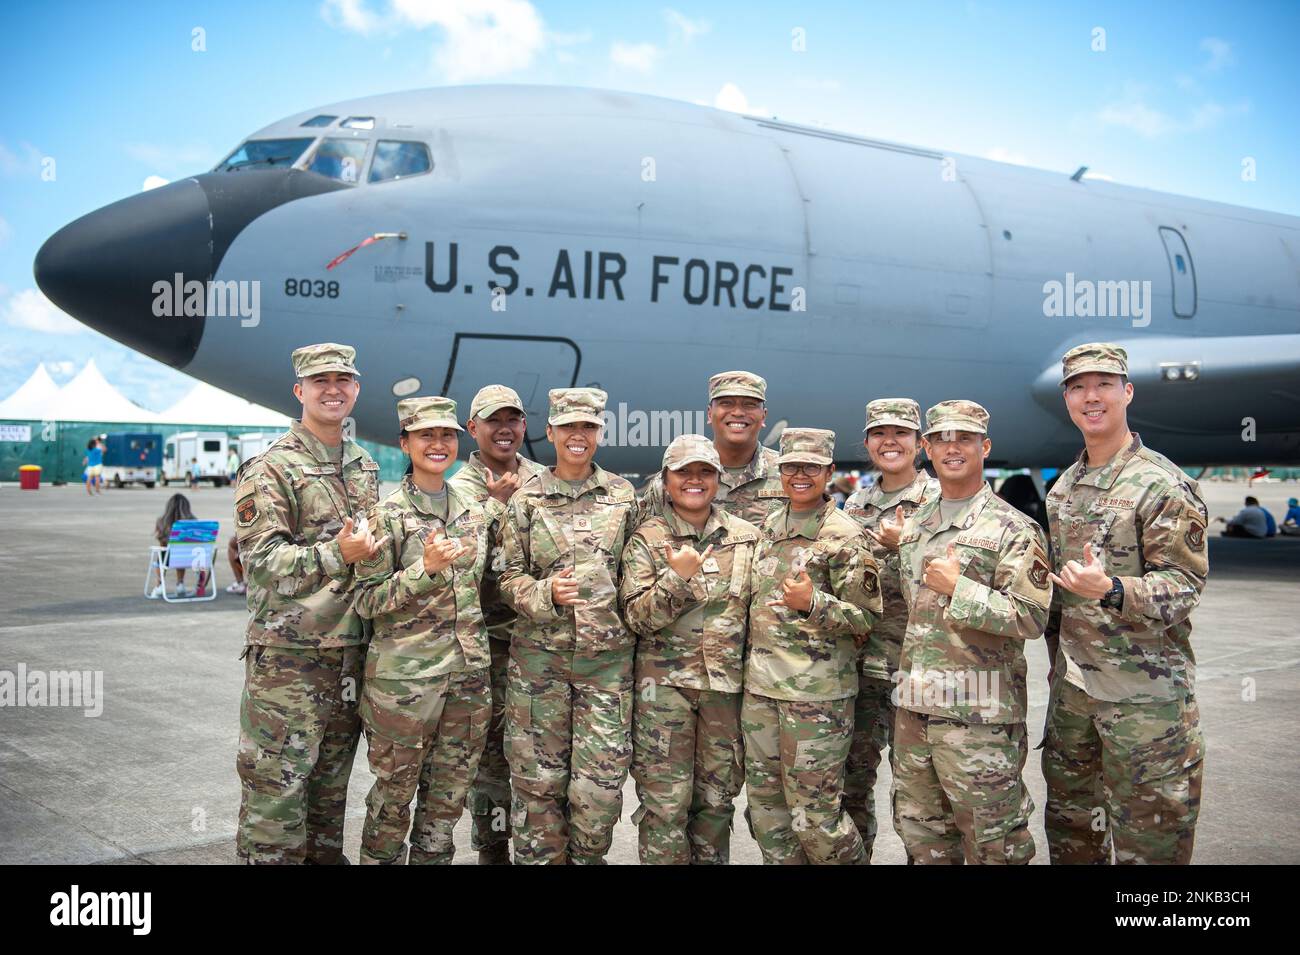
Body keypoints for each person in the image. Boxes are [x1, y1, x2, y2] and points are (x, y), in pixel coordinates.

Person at [1043, 343, 1208, 865]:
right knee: (1072, 834)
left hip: (1144, 704)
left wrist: (1112, 590)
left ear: (1127, 392)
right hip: (1074, 696)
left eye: (1104, 384)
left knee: (1150, 841)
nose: (1090, 397)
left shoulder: (1161, 484)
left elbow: (1183, 586)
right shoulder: (1063, 488)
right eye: (1077, 387)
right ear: (1067, 398)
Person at [232, 343, 384, 864]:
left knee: (328, 797)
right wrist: (336, 553)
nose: (333, 389)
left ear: (356, 390)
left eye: (343, 380)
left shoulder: (364, 466)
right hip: (289, 660)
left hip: (349, 656)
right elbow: (262, 561)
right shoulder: (270, 468)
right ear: (300, 391)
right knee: (276, 793)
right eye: (321, 381)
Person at [892, 400, 1050, 865]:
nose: (952, 447)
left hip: (979, 713)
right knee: (923, 838)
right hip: (915, 708)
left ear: (986, 446)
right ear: (926, 448)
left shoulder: (1014, 528)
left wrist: (960, 588)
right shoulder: (917, 524)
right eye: (941, 438)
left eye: (964, 438)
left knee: (993, 843)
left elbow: (1030, 617)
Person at [497, 388, 640, 864]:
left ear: (599, 433)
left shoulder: (623, 496)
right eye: (569, 428)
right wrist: (545, 595)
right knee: (538, 788)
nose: (578, 437)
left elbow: (635, 574)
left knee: (598, 792)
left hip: (607, 668)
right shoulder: (526, 500)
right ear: (551, 432)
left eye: (589, 428)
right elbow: (506, 578)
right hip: (540, 666)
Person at [353, 396, 492, 864]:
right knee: (393, 796)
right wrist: (425, 570)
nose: (438, 444)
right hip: (405, 683)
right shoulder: (385, 515)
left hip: (467, 678)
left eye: (447, 435)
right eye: (426, 435)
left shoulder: (476, 511)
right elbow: (367, 599)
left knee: (448, 799)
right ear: (405, 443)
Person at [619, 434, 760, 864]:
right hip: (663, 695)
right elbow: (637, 618)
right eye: (684, 472)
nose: (694, 481)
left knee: (716, 804)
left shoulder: (746, 537)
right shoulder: (648, 538)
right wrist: (676, 579)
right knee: (665, 805)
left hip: (724, 692)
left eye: (705, 472)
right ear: (666, 479)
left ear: (718, 479)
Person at [744, 427, 882, 865]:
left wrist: (814, 605)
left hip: (817, 699)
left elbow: (866, 617)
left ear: (829, 472)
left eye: (811, 467)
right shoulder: (768, 526)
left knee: (816, 816)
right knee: (767, 813)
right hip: (762, 692)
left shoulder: (844, 535)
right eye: (790, 467)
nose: (799, 475)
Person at [447, 384, 546, 865]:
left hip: (537, 642)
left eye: (513, 419)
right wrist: (492, 508)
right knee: (488, 754)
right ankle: (492, 848)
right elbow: (460, 564)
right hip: (483, 644)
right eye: (493, 420)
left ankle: (541, 846)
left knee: (534, 751)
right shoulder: (455, 490)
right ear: (473, 428)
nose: (505, 429)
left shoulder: (542, 480)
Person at [840, 398, 938, 861]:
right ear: (867, 444)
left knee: (921, 792)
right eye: (879, 433)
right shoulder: (856, 503)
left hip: (918, 669)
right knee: (851, 783)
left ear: (920, 444)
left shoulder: (941, 501)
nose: (889, 442)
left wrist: (908, 544)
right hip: (862, 668)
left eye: (900, 433)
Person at [637, 371, 785, 527]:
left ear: (764, 416)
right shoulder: (671, 481)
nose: (738, 412)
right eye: (726, 403)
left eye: (750, 404)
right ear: (709, 413)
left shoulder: (787, 475)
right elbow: (647, 537)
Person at [151, 493, 204, 598]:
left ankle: (160, 585)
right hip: (191, 559)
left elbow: (162, 543)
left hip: (169, 559)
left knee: (162, 554)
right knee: (181, 552)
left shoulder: (162, 521)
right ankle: (180, 583)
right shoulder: (193, 522)